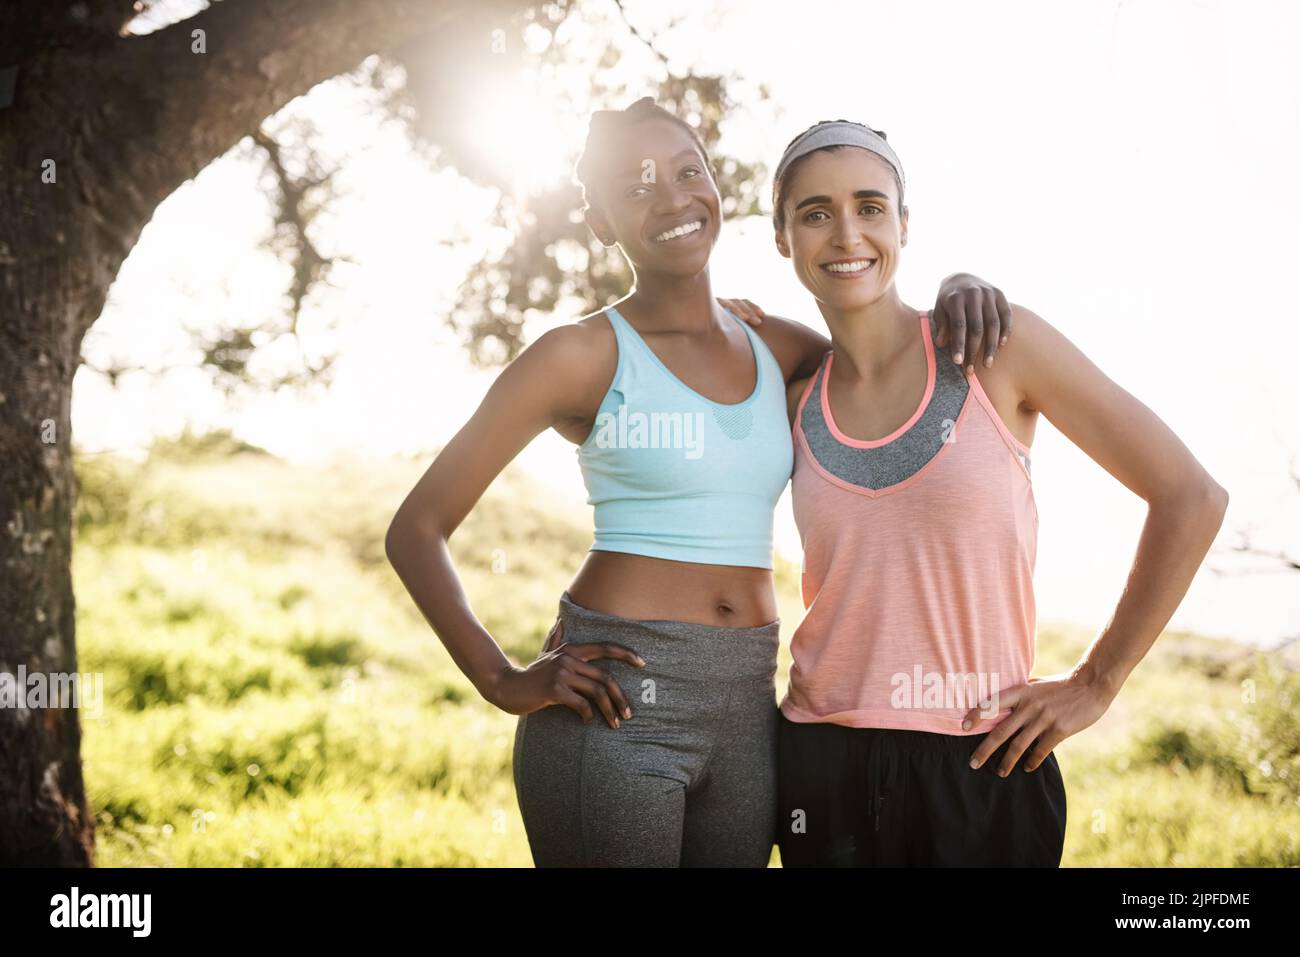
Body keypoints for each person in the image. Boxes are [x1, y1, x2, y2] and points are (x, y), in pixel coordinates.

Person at [385, 98, 1011, 867]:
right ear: (603, 222)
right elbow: (416, 527)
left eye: (689, 172)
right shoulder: (576, 355)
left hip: (748, 709)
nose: (674, 198)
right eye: (638, 186)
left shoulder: (780, 346)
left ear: (717, 187)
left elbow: (884, 348)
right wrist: (505, 679)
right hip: (618, 706)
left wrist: (961, 281)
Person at [768, 120, 1229, 866]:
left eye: (870, 206)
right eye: (815, 213)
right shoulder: (793, 403)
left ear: (905, 224)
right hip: (821, 762)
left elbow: (1190, 495)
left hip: (982, 767)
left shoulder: (993, 349)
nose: (846, 232)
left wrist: (1096, 681)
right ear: (784, 238)